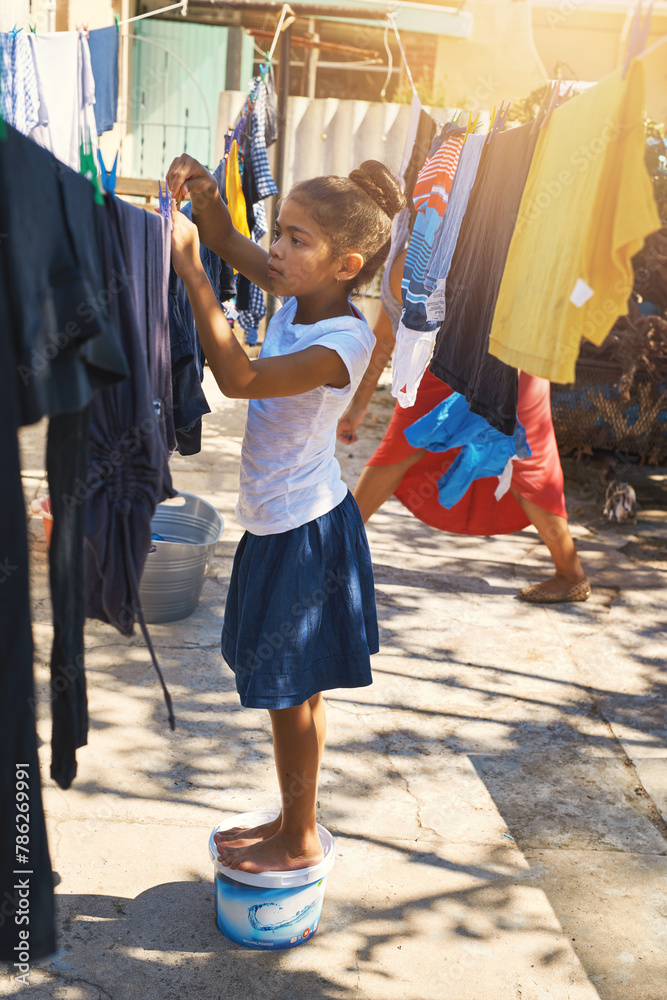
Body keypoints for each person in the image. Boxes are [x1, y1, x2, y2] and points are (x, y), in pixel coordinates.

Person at [165, 154, 405, 873]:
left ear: (345, 264)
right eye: (280, 231)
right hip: (281, 521)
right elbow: (235, 242)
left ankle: (298, 835)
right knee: (297, 692)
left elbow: (238, 378)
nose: (275, 250)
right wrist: (207, 202)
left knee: (288, 695)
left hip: (304, 534)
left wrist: (193, 273)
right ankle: (292, 816)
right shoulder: (300, 296)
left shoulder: (341, 344)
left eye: (296, 239)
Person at [338, 250, 591, 604]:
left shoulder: (478, 216)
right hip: (447, 359)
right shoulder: (412, 239)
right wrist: (359, 405)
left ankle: (570, 573)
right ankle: (334, 550)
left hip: (510, 354)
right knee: (402, 446)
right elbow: (387, 332)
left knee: (522, 458)